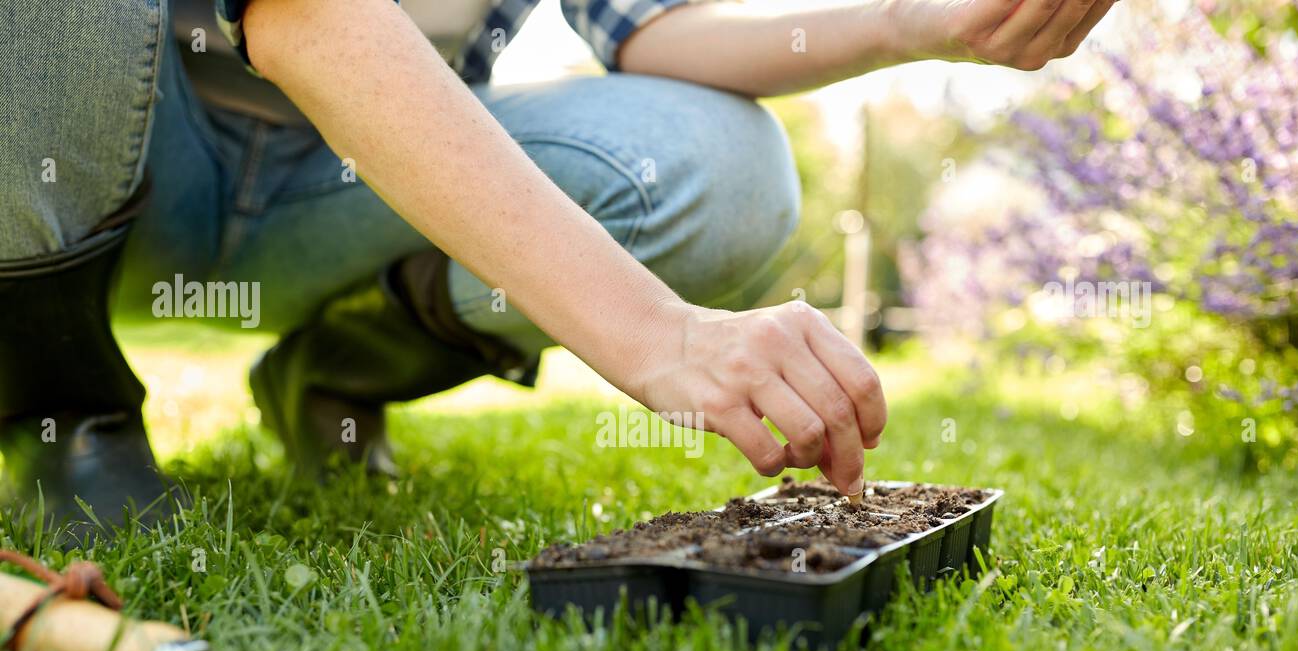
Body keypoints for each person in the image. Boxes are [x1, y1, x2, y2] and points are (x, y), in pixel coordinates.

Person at [0, 0, 1115, 534]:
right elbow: (304, 17)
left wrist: (903, 23)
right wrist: (660, 335)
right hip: (128, 174)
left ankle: (340, 369)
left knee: (722, 160)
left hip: (343, 190)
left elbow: (646, 29)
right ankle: (67, 415)